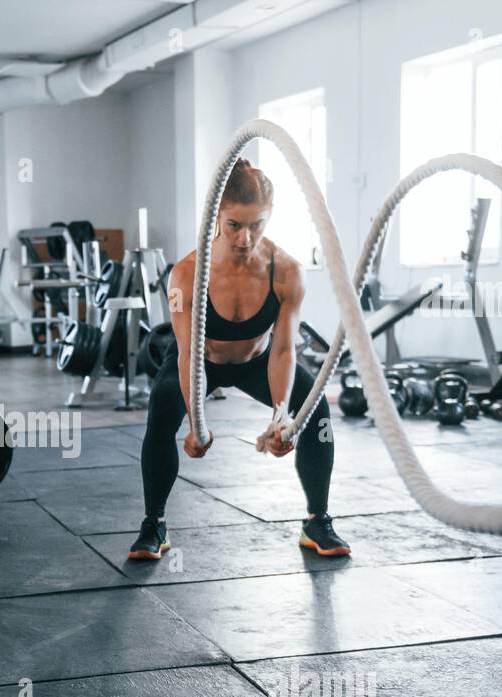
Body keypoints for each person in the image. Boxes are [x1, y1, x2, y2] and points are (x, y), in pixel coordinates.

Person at [128, 160, 350, 560]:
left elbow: (282, 349)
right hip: (201, 360)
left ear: (270, 218)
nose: (246, 238)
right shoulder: (186, 274)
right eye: (235, 225)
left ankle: (317, 520)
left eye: (257, 224)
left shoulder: (287, 272)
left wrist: (283, 415)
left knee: (315, 412)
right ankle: (153, 524)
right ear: (217, 217)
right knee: (162, 408)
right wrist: (197, 423)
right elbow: (187, 353)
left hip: (258, 361)